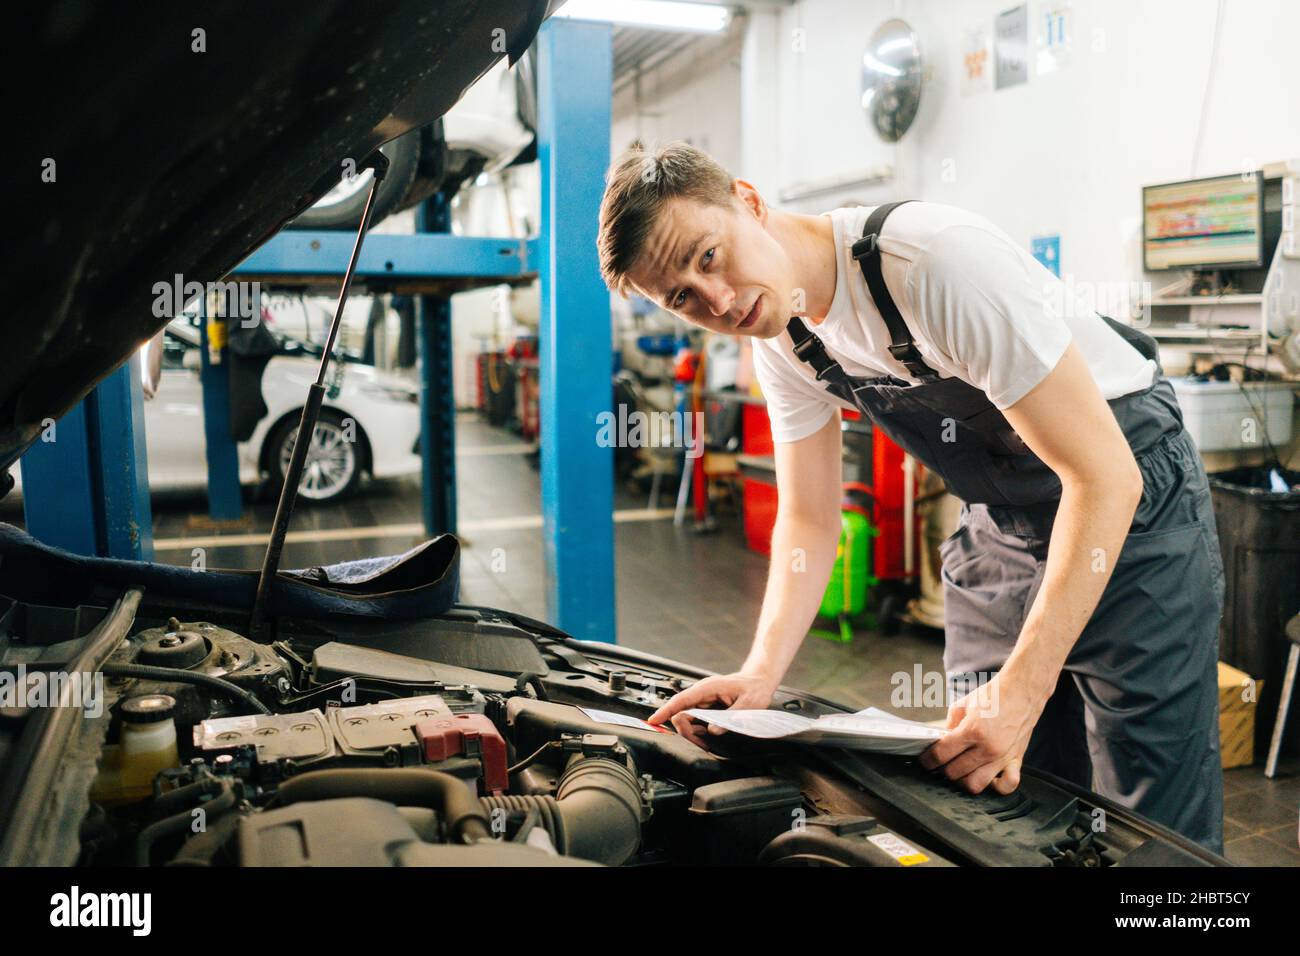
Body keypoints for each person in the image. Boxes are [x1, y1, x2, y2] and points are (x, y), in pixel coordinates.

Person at [595, 141, 1225, 852]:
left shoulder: (930, 264)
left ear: (747, 200)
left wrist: (1025, 688)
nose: (715, 301)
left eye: (708, 257)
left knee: (1150, 810)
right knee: (997, 794)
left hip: (1129, 503)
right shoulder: (783, 339)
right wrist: (760, 672)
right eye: (680, 296)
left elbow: (1105, 477)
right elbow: (808, 517)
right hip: (1000, 525)